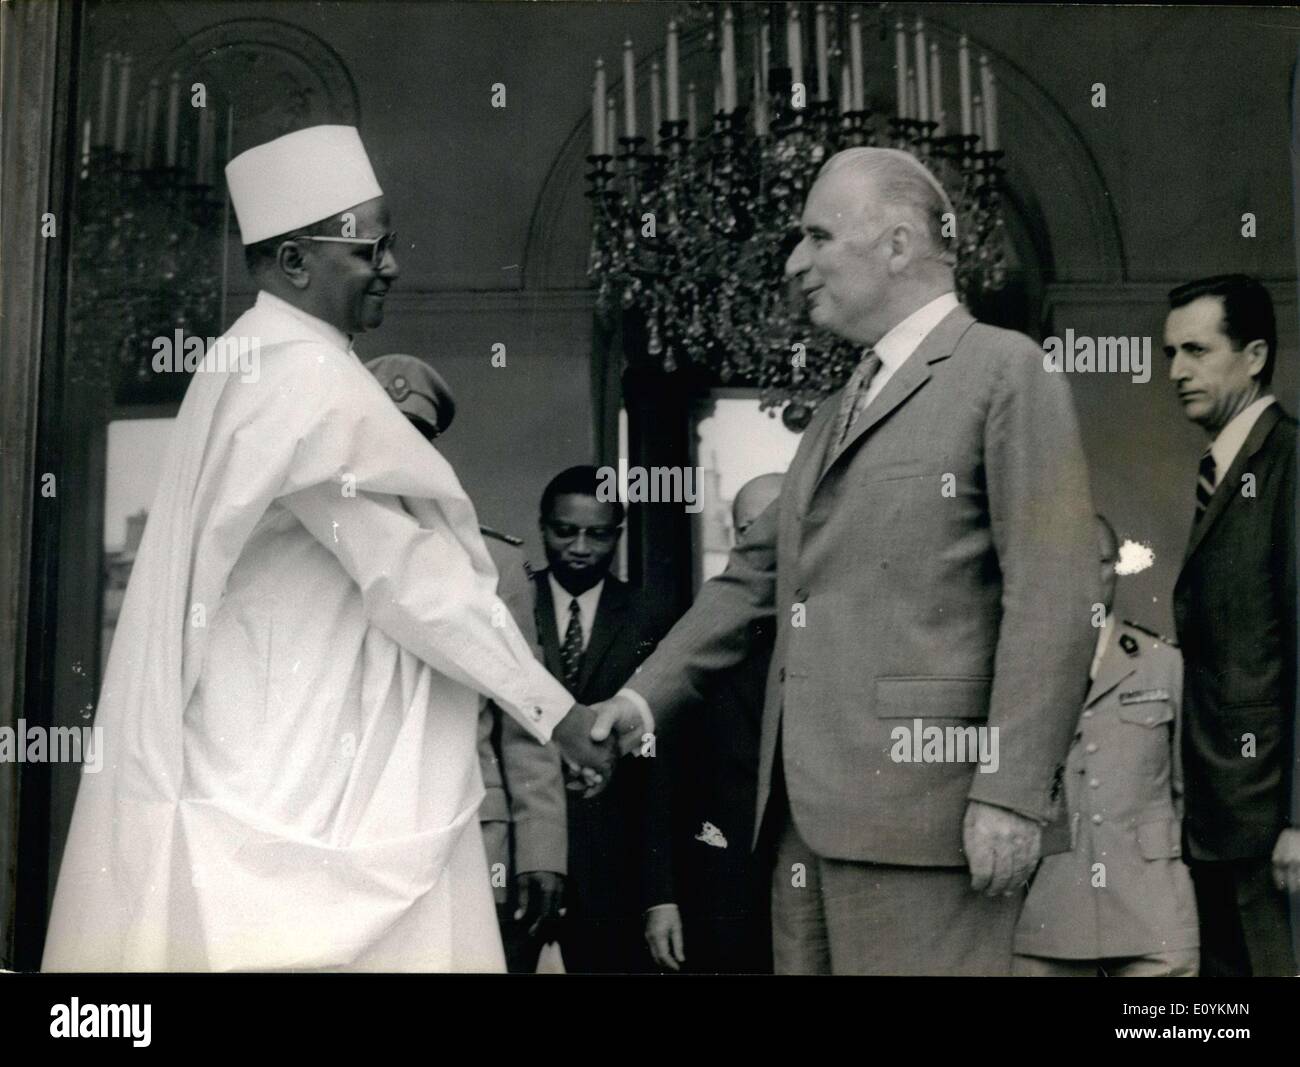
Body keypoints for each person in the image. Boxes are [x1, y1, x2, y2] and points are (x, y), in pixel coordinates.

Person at [41, 125, 611, 972]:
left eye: (389, 244)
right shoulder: (301, 375)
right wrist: (554, 710)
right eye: (369, 248)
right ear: (298, 262)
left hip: (267, 742)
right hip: (301, 774)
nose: (390, 266)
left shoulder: (244, 360)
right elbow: (411, 577)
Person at [591, 147, 1099, 975]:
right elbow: (755, 575)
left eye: (816, 237)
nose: (795, 265)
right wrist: (640, 702)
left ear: (898, 245)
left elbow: (1054, 594)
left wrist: (1008, 793)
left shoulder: (1006, 371)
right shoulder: (836, 409)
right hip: (801, 821)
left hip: (932, 825)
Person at [366, 352, 567, 973]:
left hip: (475, 838)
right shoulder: (326, 552)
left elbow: (523, 711)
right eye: (386, 433)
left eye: (418, 437)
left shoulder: (493, 564)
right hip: (360, 832)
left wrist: (541, 847)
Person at [1164, 274, 1299, 976]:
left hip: (1269, 830)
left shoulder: (1292, 464)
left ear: (1253, 355)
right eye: (1170, 354)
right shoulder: (1225, 466)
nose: (1177, 371)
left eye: (1196, 349)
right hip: (1219, 823)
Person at [1013, 515, 1199, 976]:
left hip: (1152, 906)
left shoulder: (1163, 664)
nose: (1083, 576)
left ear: (1116, 567)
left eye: (1096, 562)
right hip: (1050, 911)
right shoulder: (1021, 673)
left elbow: (1187, 787)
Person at [508, 465, 671, 973]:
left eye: (597, 534)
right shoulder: (507, 606)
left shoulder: (653, 613)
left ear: (618, 536)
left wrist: (658, 893)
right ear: (542, 527)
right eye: (565, 530)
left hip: (612, 863)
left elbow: (666, 751)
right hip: (519, 857)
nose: (580, 546)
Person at [642, 473, 782, 974]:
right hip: (716, 889)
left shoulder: (836, 632)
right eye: (752, 530)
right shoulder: (691, 637)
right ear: (734, 535)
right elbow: (661, 779)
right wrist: (660, 897)